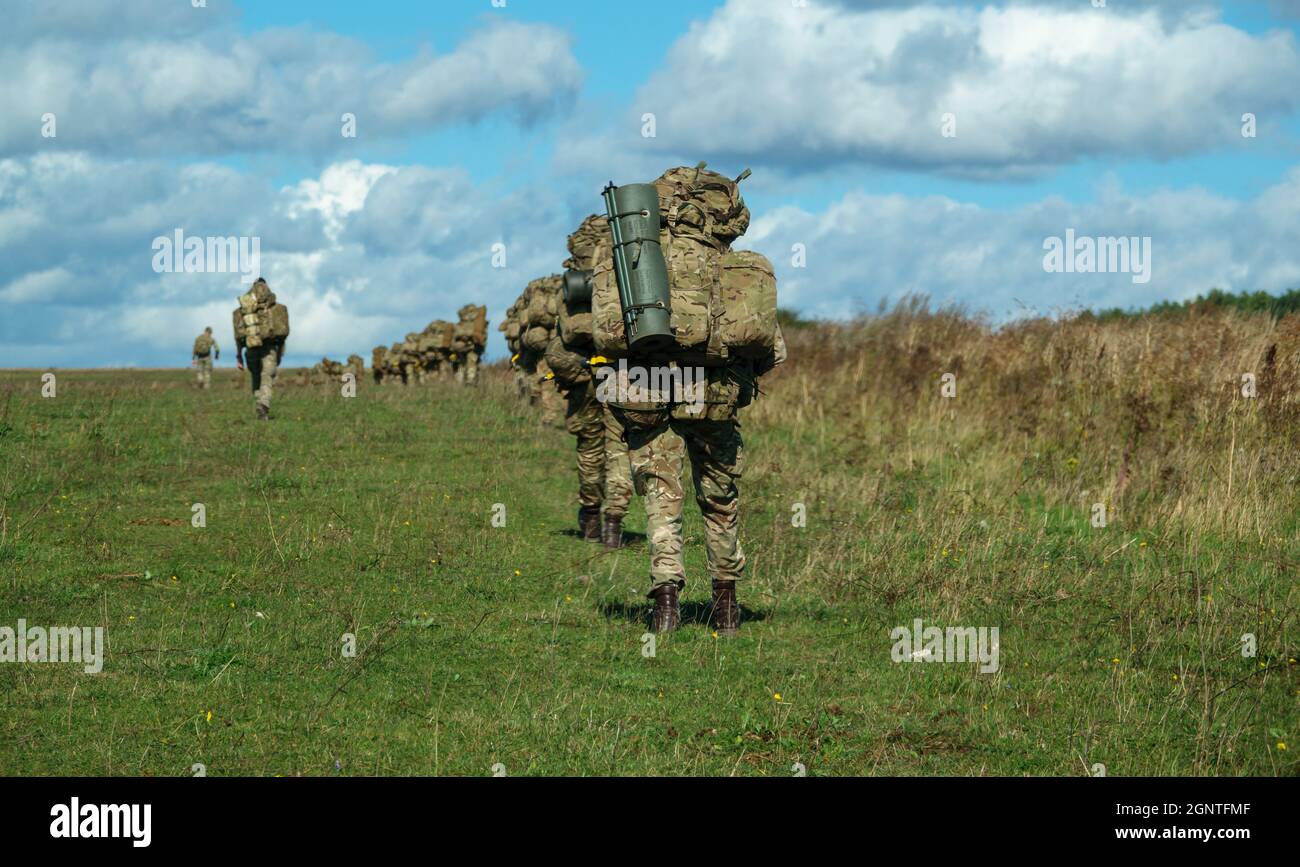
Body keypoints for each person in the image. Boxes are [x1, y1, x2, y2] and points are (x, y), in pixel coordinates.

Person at [232, 278, 290, 421]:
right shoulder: (275, 308)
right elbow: (282, 335)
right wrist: (280, 354)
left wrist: (239, 356)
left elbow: (239, 337)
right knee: (267, 377)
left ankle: (259, 401)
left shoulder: (245, 310)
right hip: (269, 348)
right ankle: (263, 405)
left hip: (250, 348)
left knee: (256, 377)